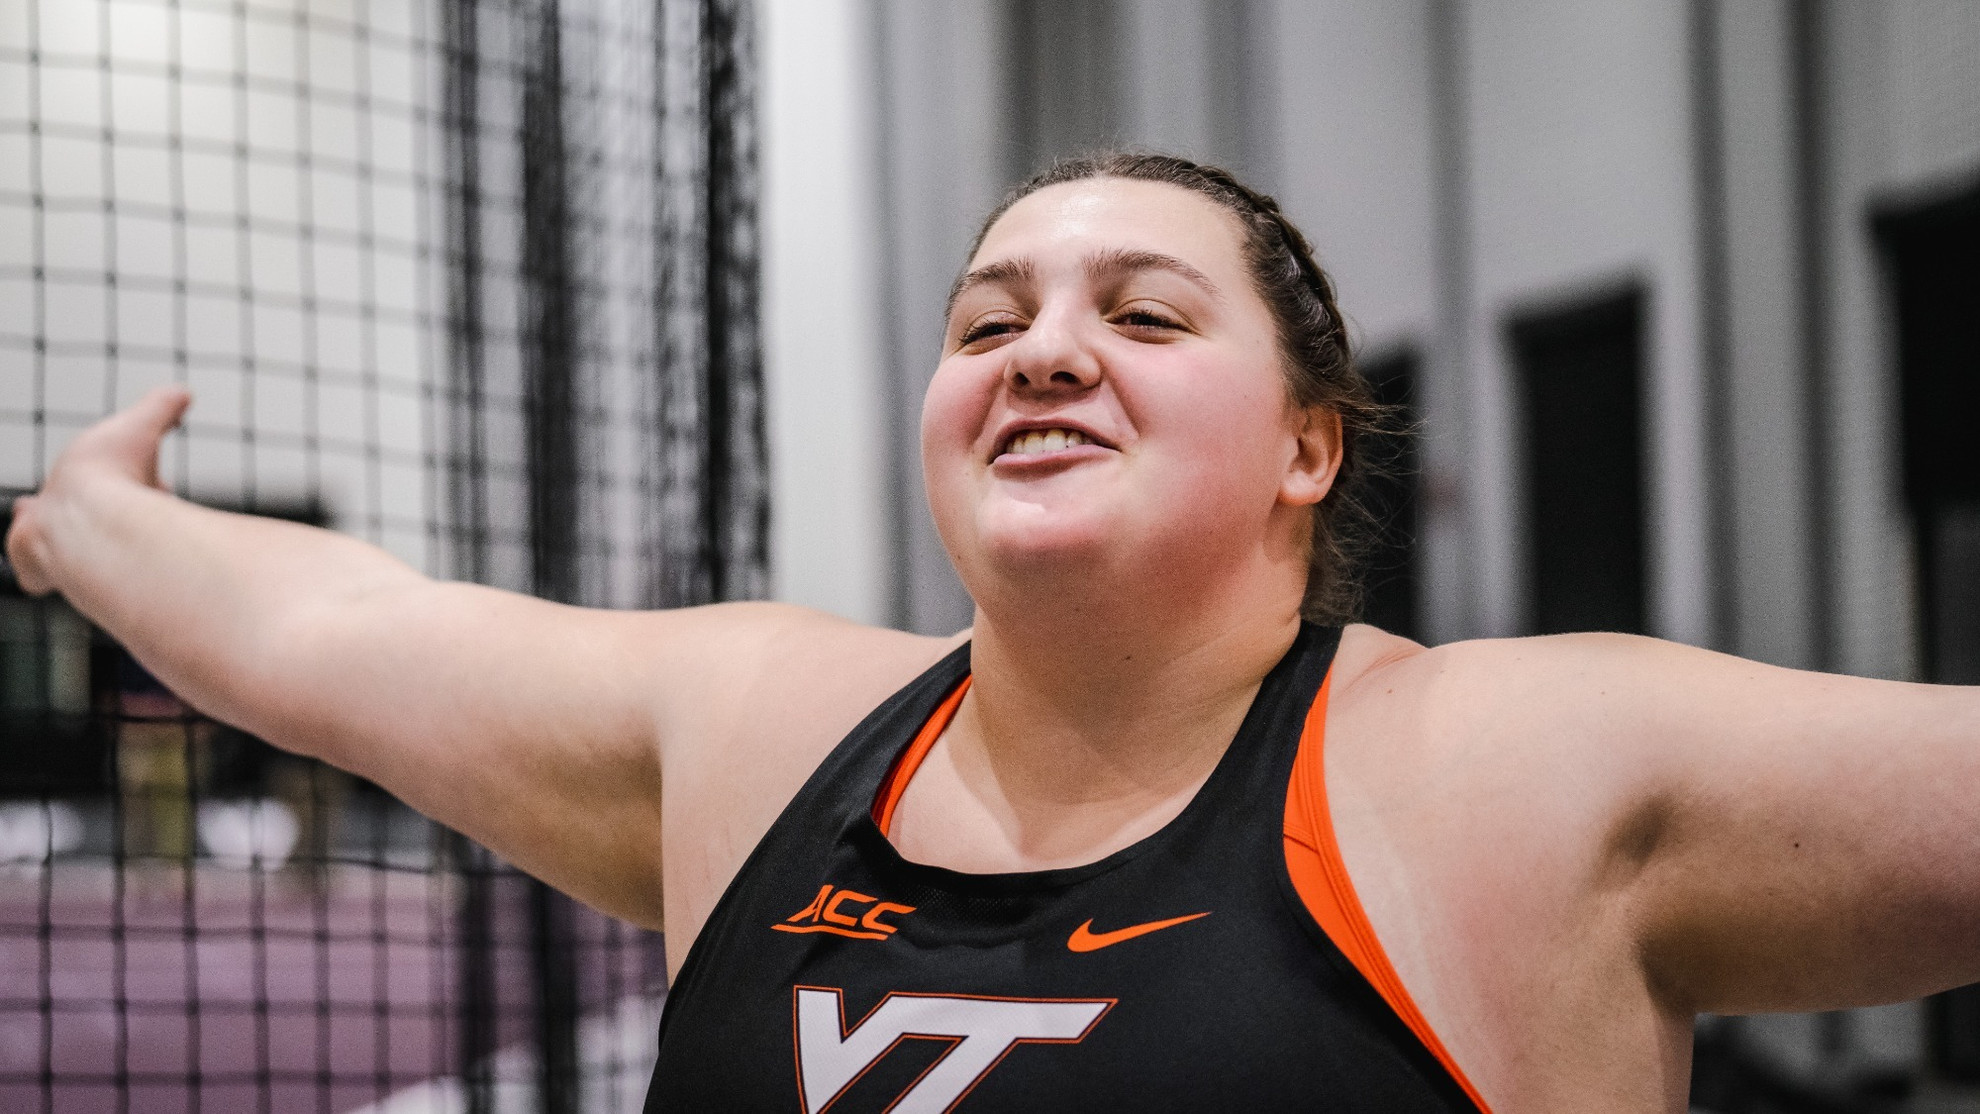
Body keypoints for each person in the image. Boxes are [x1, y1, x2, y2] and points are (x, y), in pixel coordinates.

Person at [7, 151, 1979, 1112]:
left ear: (1311, 438)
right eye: (986, 318)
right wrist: (91, 521)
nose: (1043, 348)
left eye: (1140, 313)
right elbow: (339, 624)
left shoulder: (1516, 771)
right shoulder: (759, 730)